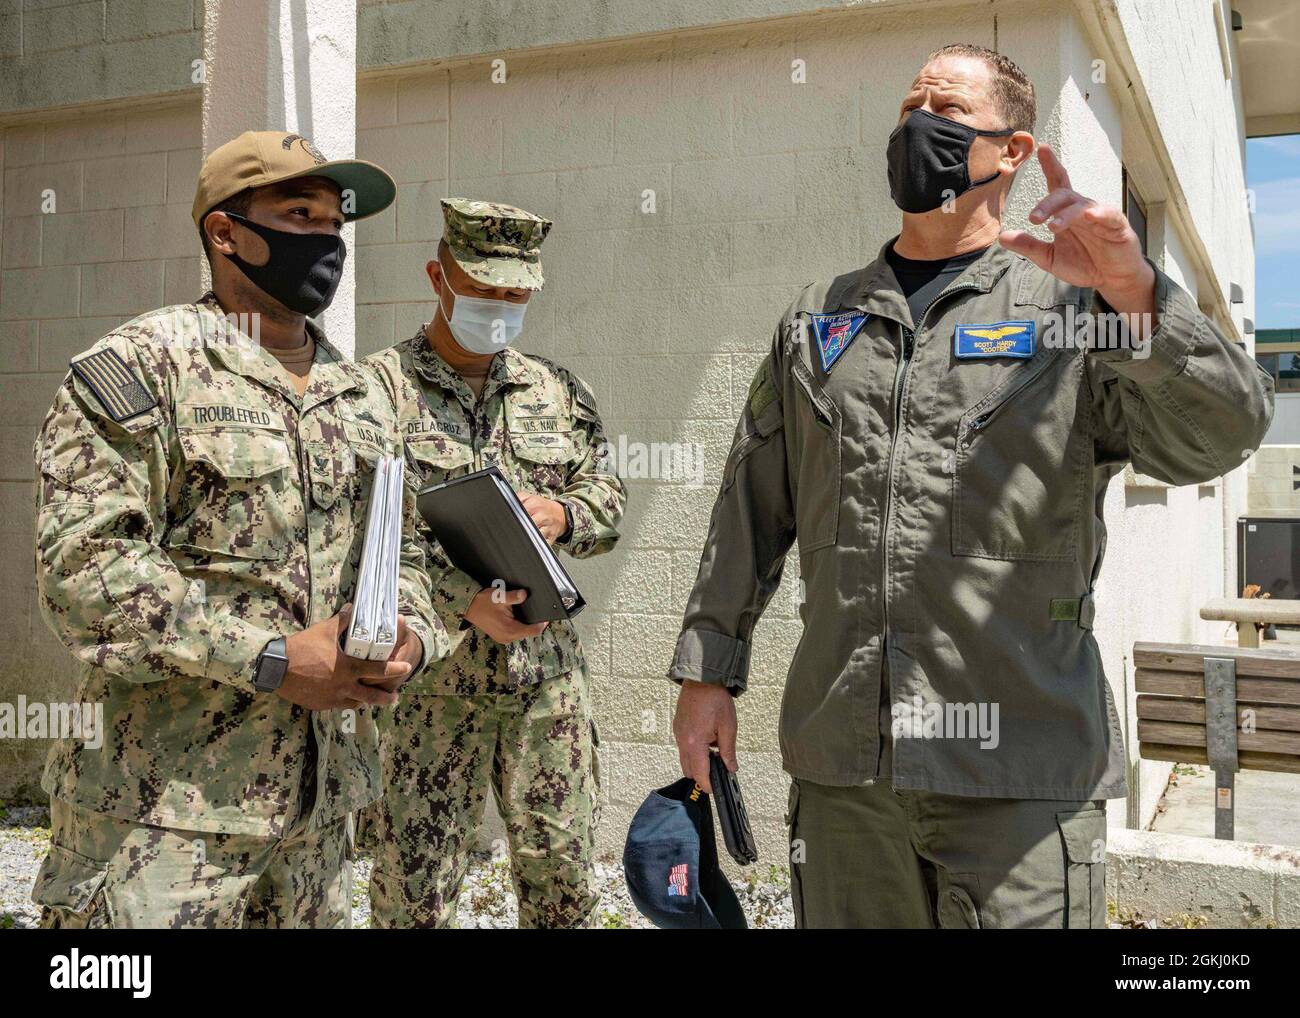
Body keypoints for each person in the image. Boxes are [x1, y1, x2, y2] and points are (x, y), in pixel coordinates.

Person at [668, 44, 1274, 928]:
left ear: (1013, 151)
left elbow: (1224, 436)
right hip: (847, 774)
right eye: (909, 106)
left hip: (1017, 777)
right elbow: (749, 516)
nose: (919, 127)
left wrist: (1136, 292)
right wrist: (705, 674)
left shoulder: (1071, 311)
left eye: (947, 111)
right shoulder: (818, 322)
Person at [30, 131, 445, 928]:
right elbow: (87, 574)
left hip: (317, 824)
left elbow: (411, 555)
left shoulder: (361, 396)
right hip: (160, 822)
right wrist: (271, 659)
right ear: (225, 233)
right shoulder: (144, 368)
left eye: (335, 223)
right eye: (300, 213)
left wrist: (412, 638)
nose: (326, 240)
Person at [359, 198, 626, 928]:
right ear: (438, 277)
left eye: (516, 294)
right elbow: (363, 533)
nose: (501, 307)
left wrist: (566, 515)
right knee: (414, 888)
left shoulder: (556, 389)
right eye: (483, 290)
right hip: (430, 690)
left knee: (563, 879)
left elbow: (605, 490)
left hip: (546, 686)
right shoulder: (374, 392)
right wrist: (455, 601)